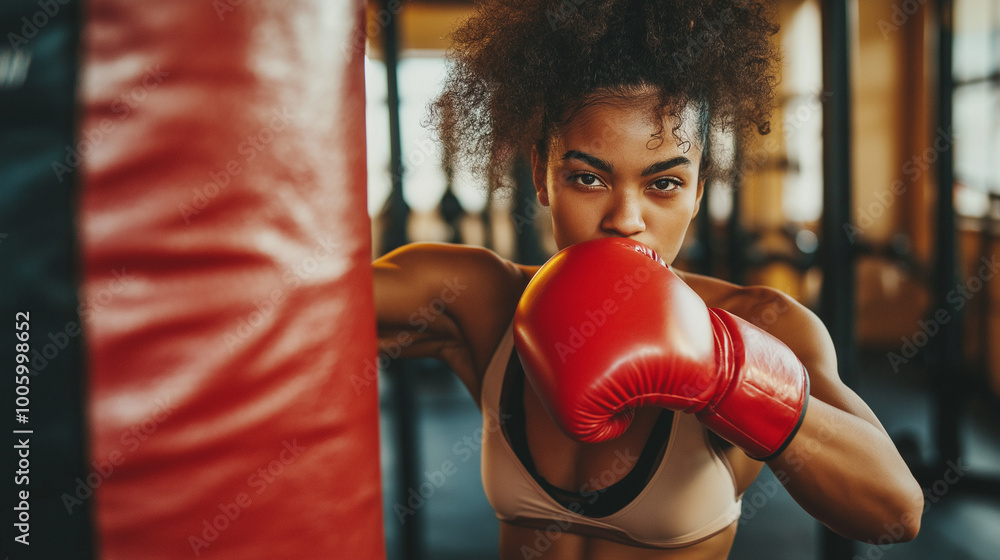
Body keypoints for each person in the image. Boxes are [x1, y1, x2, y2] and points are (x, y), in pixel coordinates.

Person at [372, 0, 923, 557]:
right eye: (588, 178)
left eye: (663, 184)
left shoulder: (762, 323)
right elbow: (318, 305)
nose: (626, 220)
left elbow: (897, 512)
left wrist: (726, 377)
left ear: (698, 192)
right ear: (541, 175)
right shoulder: (481, 301)